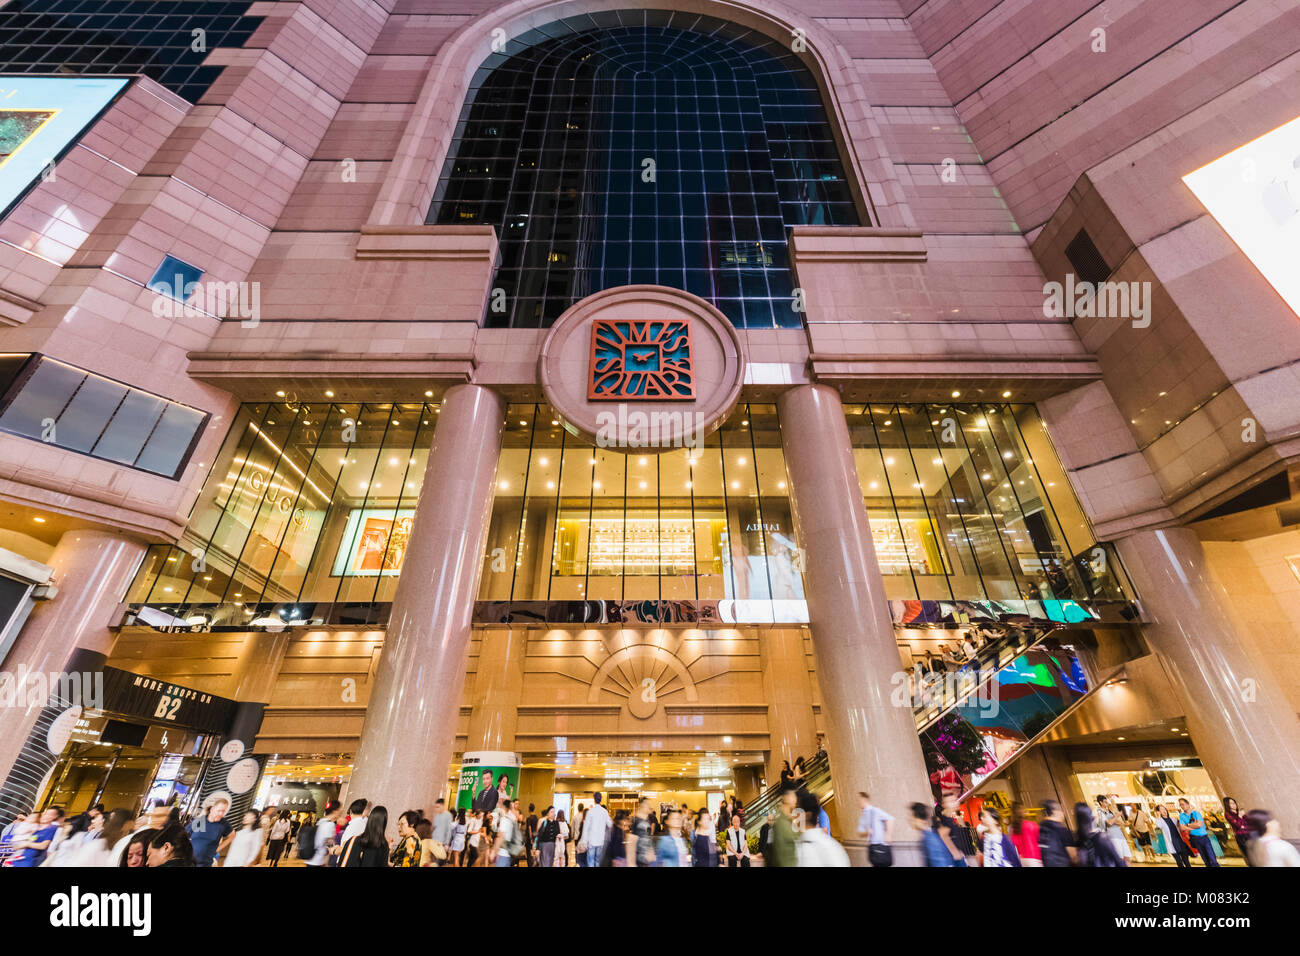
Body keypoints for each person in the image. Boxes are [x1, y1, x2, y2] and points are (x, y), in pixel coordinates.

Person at [796, 791, 849, 866]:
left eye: (797, 812)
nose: (794, 816)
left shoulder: (806, 849)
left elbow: (825, 831)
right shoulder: (835, 847)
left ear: (806, 815)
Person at [187, 795, 233, 867]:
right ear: (212, 809)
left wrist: (217, 849)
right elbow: (185, 834)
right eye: (219, 811)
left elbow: (232, 836)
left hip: (204, 863)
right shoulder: (201, 820)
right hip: (188, 860)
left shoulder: (223, 824)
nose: (221, 814)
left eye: (223, 811)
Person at [1176, 798, 1219, 867]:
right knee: (1205, 860)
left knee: (1212, 859)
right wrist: (1193, 825)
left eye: (1183, 804)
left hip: (1204, 838)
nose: (1182, 806)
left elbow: (1199, 825)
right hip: (1194, 839)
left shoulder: (1196, 813)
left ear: (1188, 804)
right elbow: (1182, 828)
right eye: (1180, 805)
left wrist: (1188, 825)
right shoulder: (1182, 815)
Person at [857, 791, 894, 867]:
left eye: (859, 799)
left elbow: (890, 819)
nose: (857, 802)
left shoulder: (875, 811)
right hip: (873, 849)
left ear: (864, 799)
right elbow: (860, 833)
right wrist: (867, 833)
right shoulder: (863, 816)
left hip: (881, 848)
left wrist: (888, 834)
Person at [934, 796, 972, 866]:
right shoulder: (943, 820)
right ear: (944, 804)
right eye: (952, 801)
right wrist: (956, 853)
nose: (956, 802)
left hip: (960, 858)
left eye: (955, 800)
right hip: (954, 860)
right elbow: (943, 836)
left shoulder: (950, 820)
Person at [1037, 800, 1074, 867]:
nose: (1063, 813)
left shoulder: (1041, 828)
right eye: (1062, 810)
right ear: (1055, 812)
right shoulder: (1061, 830)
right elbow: (1073, 856)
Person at [305, 799, 341, 867]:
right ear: (335, 811)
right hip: (318, 861)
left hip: (311, 858)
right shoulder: (330, 824)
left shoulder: (321, 821)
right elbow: (329, 847)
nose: (341, 811)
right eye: (340, 809)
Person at [579, 791, 611, 867]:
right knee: (598, 862)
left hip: (591, 841)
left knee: (590, 862)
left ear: (594, 799)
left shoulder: (590, 812)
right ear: (601, 799)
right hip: (601, 841)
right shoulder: (604, 812)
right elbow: (610, 824)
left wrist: (584, 841)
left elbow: (586, 827)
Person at [1097, 796, 1132, 863]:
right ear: (1100, 802)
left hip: (1120, 836)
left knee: (1127, 857)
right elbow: (1109, 823)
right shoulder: (1100, 812)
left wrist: (1114, 820)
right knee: (1120, 858)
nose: (1107, 803)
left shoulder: (1110, 812)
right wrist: (1116, 817)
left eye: (1107, 802)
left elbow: (1119, 823)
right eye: (1105, 802)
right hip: (1113, 837)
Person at [1008, 802, 1041, 866]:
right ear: (1023, 812)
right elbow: (1040, 840)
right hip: (1035, 858)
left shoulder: (1013, 828)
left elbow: (1012, 843)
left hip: (1022, 860)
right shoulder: (1032, 825)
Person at [492, 800, 524, 866]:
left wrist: (494, 851)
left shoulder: (504, 820)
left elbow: (500, 836)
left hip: (502, 853)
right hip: (508, 853)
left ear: (504, 807)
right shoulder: (512, 819)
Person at [626, 797, 657, 867]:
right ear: (641, 805)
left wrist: (651, 850)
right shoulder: (637, 821)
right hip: (638, 861)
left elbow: (647, 838)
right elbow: (631, 840)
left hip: (645, 861)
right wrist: (631, 863)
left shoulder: (646, 821)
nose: (650, 806)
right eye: (647, 804)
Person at [1222, 797, 1251, 863]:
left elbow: (1248, 822)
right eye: (1231, 803)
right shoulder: (1227, 814)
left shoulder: (1239, 812)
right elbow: (1238, 825)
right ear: (1227, 804)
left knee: (1255, 854)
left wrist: (1243, 823)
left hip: (1249, 834)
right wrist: (1240, 816)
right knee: (1249, 856)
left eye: (1234, 802)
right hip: (1242, 837)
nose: (1234, 804)